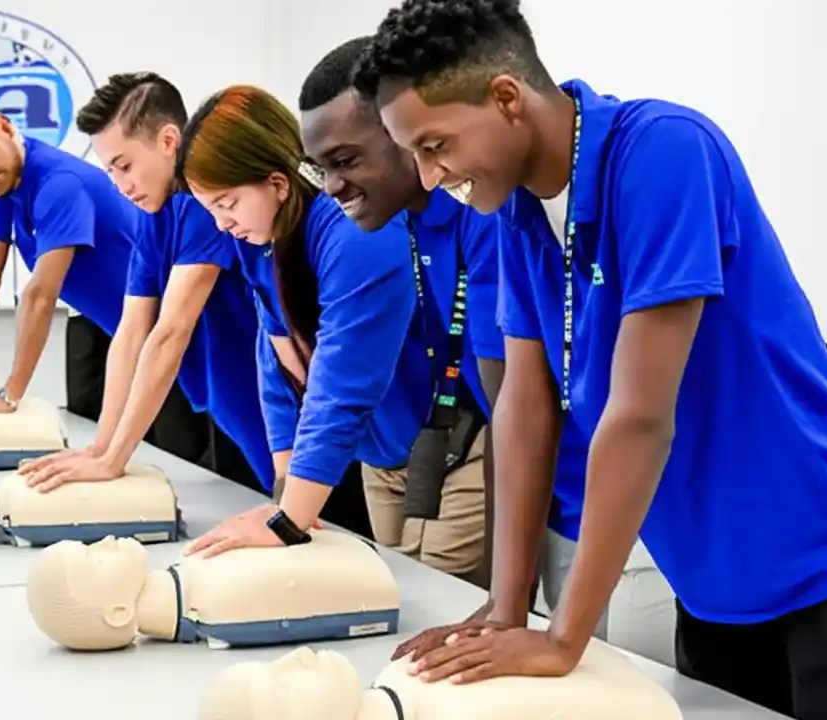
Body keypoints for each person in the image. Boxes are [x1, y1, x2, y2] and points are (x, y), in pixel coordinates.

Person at [354, 1, 827, 718]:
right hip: (709, 580)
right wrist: (506, 609)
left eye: (434, 145)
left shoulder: (664, 152)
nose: (427, 178)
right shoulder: (514, 210)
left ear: (507, 99)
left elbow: (640, 417)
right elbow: (525, 402)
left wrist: (564, 637)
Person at [301, 36, 676, 662]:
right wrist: (508, 605)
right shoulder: (489, 210)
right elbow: (520, 404)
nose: (335, 186)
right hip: (563, 503)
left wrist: (535, 617)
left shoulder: (647, 153)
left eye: (348, 159)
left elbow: (588, 412)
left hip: (629, 511)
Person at [175, 84, 453, 551]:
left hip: (450, 448)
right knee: (399, 593)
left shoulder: (354, 231)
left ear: (278, 183)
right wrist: (284, 497)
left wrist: (287, 523)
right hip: (383, 457)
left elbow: (342, 384)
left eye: (227, 205)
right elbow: (276, 367)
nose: (222, 224)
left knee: (445, 607)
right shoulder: (263, 243)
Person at [0, 87, 212, 465]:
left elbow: (41, 293)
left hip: (181, 336)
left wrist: (11, 394)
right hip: (126, 335)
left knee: (189, 463)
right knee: (120, 453)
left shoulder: (60, 184)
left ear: (4, 127)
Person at [298, 37, 501, 587]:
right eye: (319, 169)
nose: (334, 186)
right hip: (392, 447)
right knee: (401, 595)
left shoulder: (481, 210)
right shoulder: (363, 224)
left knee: (443, 603)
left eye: (345, 160)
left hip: (482, 446)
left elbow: (511, 396)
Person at [19, 72, 274, 495]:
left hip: (266, 397)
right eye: (111, 171)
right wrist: (101, 449)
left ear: (169, 141)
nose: (121, 186)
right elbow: (132, 331)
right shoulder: (155, 218)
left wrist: (115, 460)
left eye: (125, 166)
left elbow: (170, 333)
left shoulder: (202, 207)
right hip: (226, 397)